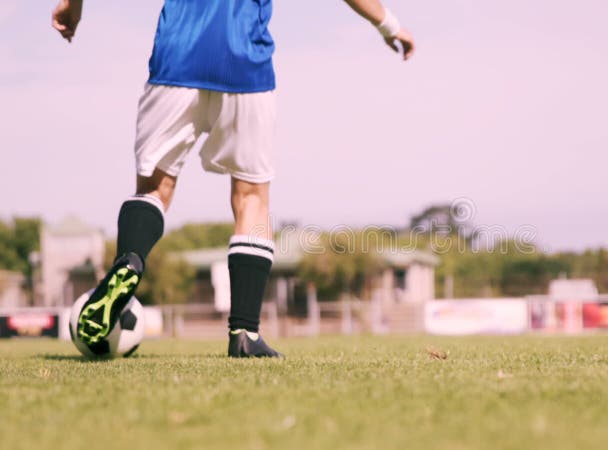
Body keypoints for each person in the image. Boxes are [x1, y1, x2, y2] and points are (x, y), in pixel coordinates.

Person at [51, 0, 415, 357]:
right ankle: (244, 332)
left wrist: (72, 5)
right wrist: (389, 24)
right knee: (251, 196)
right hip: (245, 62)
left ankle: (129, 260)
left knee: (153, 189)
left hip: (176, 55)